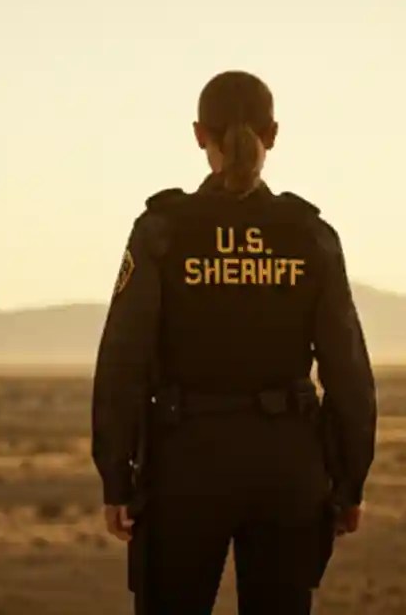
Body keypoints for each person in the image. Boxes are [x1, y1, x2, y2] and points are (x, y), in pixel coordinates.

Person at [91, 70, 378, 615]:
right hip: (287, 468)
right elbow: (349, 372)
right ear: (273, 134)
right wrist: (349, 482)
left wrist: (116, 479)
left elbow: (122, 360)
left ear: (200, 135)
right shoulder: (309, 234)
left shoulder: (162, 230)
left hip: (183, 466)